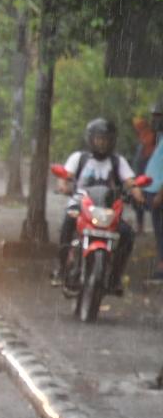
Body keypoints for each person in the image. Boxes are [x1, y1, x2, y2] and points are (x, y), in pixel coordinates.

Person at [51, 118, 142, 292]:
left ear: (112, 141)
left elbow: (130, 180)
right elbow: (66, 175)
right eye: (99, 138)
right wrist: (63, 184)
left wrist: (136, 190)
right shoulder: (80, 158)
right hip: (81, 203)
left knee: (127, 234)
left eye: (105, 139)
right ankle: (62, 268)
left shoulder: (117, 161)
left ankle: (115, 278)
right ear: (91, 139)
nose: (102, 143)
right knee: (68, 222)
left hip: (107, 210)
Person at [142, 106, 163, 280]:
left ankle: (162, 268)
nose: (154, 119)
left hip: (159, 193)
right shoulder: (159, 138)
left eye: (157, 116)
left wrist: (160, 194)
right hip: (152, 191)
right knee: (158, 229)